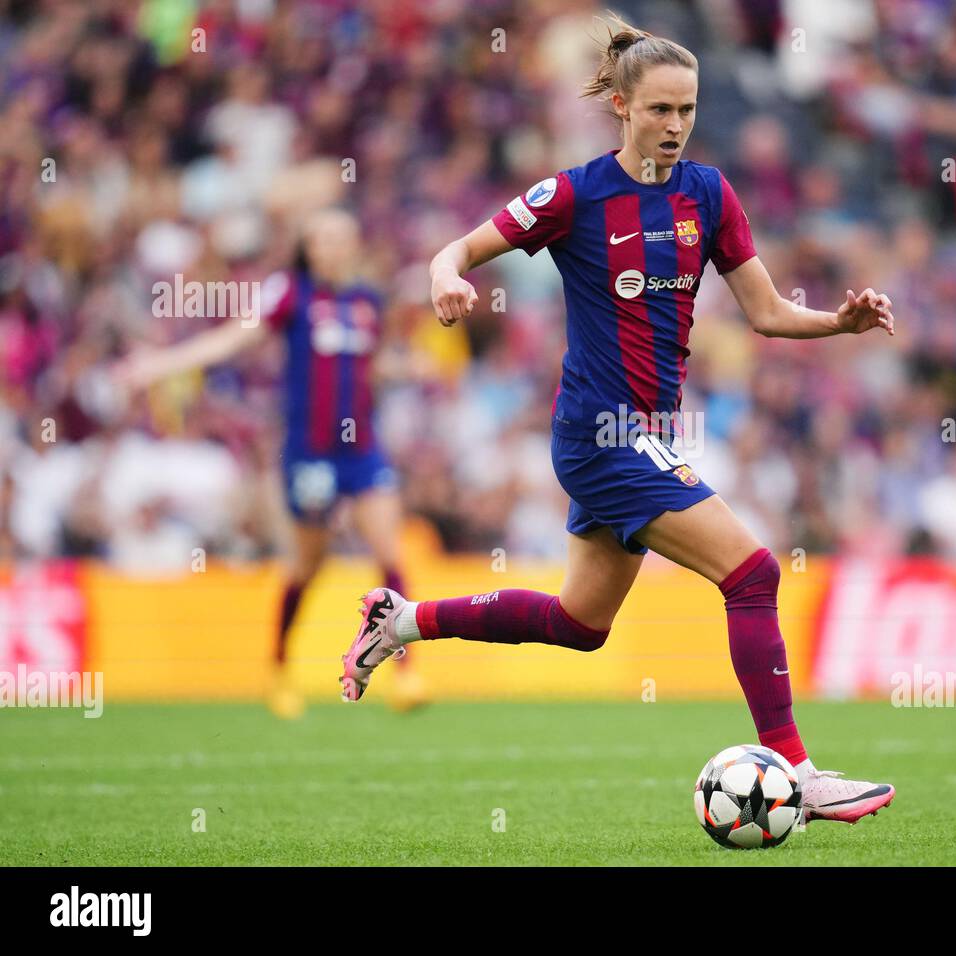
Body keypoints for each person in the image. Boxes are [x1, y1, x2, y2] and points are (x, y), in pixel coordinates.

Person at [341, 16, 898, 824]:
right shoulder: (574, 195)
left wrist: (837, 325)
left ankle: (401, 622)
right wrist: (443, 278)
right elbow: (454, 250)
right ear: (621, 108)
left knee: (580, 624)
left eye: (687, 111)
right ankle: (799, 772)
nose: (674, 127)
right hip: (598, 435)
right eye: (659, 110)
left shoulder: (708, 195)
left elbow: (769, 313)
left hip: (650, 437)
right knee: (753, 573)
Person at [119, 208, 427, 718]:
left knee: (388, 551)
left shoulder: (368, 302)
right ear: (308, 248)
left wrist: (409, 365)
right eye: (321, 240)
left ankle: (407, 673)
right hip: (311, 453)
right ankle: (278, 666)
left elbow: (370, 365)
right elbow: (234, 337)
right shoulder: (291, 295)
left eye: (340, 239)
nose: (331, 248)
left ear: (354, 247)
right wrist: (160, 365)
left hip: (363, 450)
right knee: (311, 564)